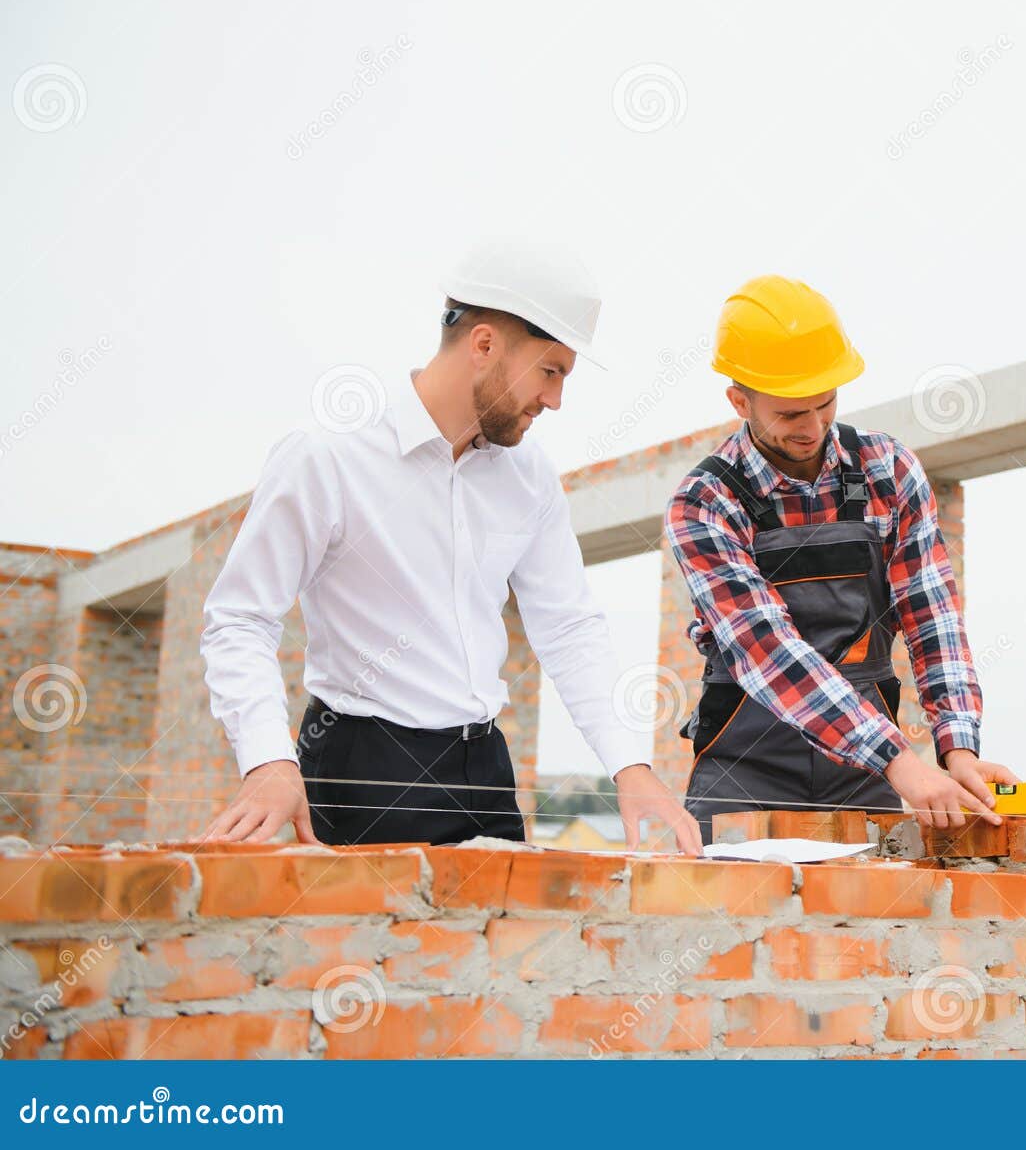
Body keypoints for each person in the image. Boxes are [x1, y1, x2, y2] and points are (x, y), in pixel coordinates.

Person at [198, 238, 702, 853]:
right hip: (360, 772)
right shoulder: (328, 454)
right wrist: (269, 762)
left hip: (486, 769)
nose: (555, 400)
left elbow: (567, 626)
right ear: (484, 344)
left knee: (506, 947)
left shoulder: (529, 473)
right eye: (551, 371)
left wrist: (630, 767)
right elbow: (240, 619)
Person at [664, 274, 1017, 842]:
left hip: (864, 776)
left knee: (865, 924)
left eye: (824, 404)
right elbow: (770, 650)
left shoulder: (888, 470)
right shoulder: (705, 503)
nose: (812, 429)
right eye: (789, 414)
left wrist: (957, 747)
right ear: (739, 400)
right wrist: (901, 762)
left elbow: (933, 619)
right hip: (747, 769)